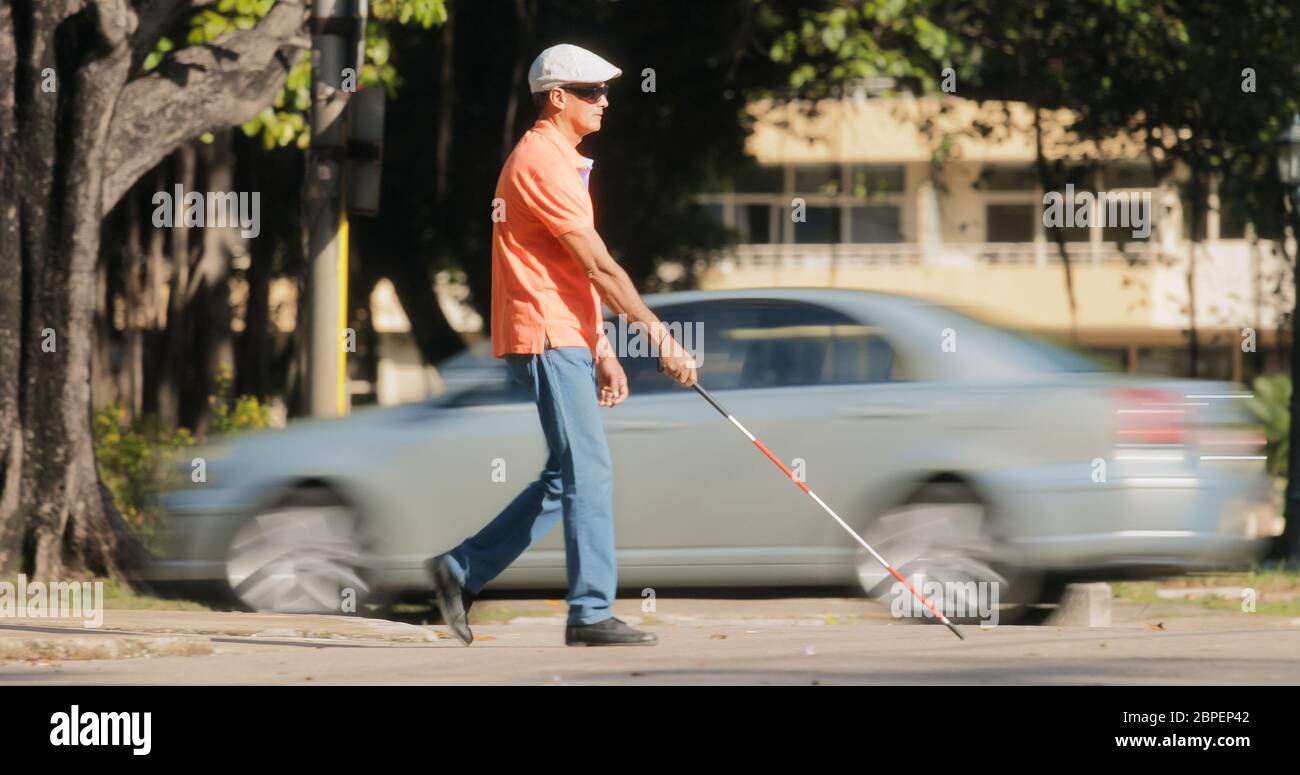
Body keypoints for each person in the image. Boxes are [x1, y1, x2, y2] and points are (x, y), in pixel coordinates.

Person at [425, 44, 698, 647]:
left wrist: (601, 346)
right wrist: (660, 337)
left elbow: (571, 272)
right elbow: (599, 267)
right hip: (546, 335)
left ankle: (459, 570)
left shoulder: (561, 160)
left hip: (564, 333)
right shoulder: (542, 163)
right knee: (591, 471)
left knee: (568, 473)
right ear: (557, 98)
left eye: (604, 92)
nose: (604, 102)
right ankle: (591, 613)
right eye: (593, 92)